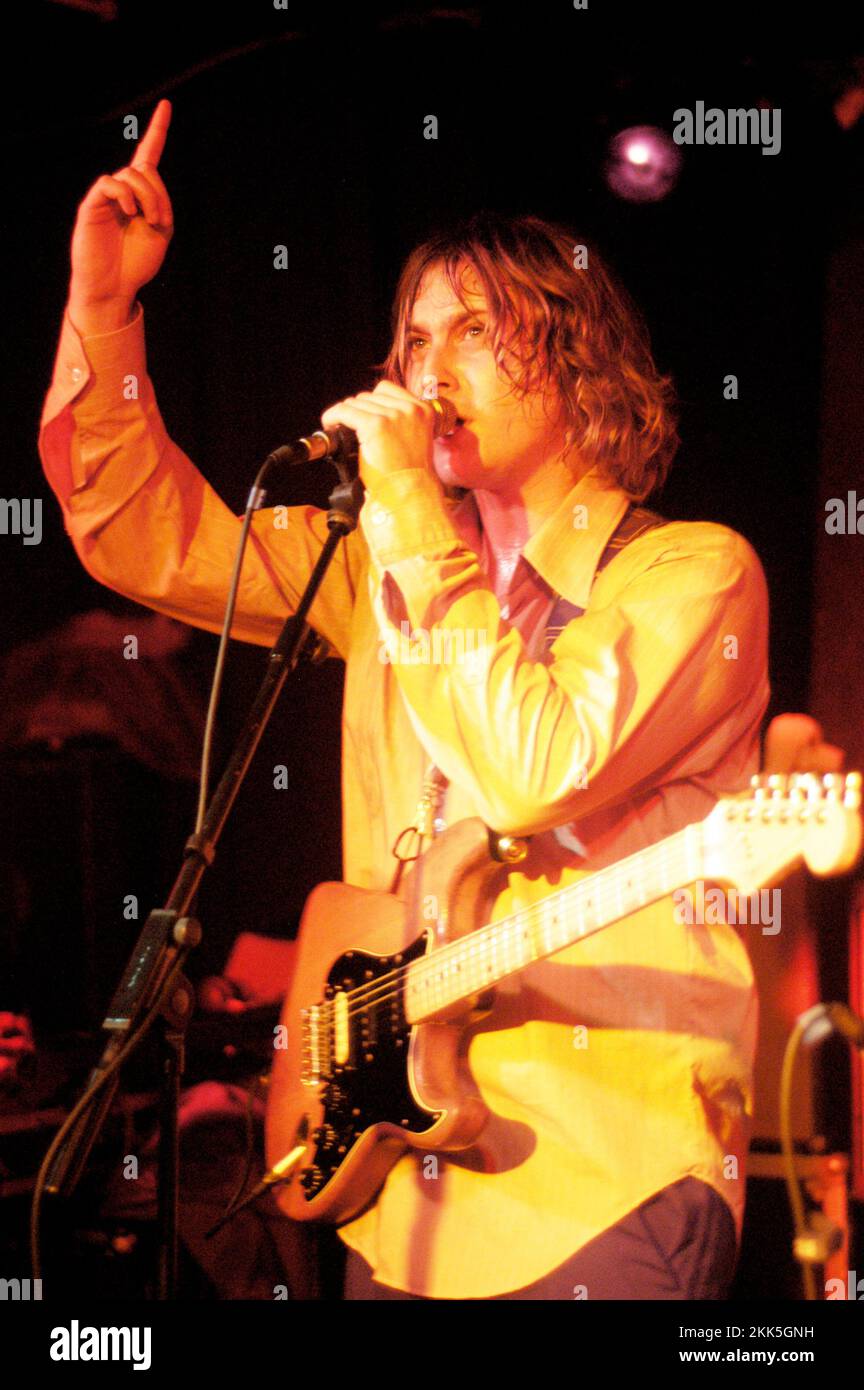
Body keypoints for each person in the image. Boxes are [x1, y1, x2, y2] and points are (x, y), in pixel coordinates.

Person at [38, 99, 770, 1300]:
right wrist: (106, 314)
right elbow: (144, 538)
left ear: (577, 361)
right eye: (414, 340)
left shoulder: (691, 574)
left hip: (599, 1179)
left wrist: (416, 532)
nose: (429, 368)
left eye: (475, 330)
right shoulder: (379, 572)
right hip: (403, 1194)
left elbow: (532, 772)